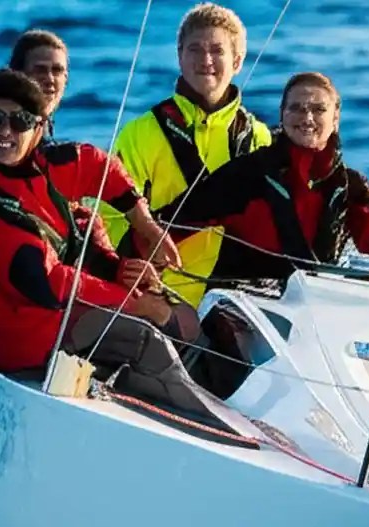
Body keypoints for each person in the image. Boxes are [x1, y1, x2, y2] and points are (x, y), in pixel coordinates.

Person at [0, 69, 194, 383]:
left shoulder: (34, 167)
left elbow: (96, 166)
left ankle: (214, 397)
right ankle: (209, 425)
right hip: (18, 338)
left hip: (47, 316)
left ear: (39, 128)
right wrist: (137, 304)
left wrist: (145, 226)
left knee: (184, 320)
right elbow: (47, 282)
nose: (5, 132)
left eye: (20, 121)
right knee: (146, 339)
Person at [150, 71, 369, 299]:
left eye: (318, 109)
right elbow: (169, 225)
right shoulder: (248, 173)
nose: (307, 118)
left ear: (335, 118)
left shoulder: (352, 187)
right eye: (297, 108)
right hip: (242, 309)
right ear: (282, 115)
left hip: (315, 311)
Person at [102, 3, 273, 305]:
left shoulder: (258, 137)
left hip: (243, 303)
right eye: (195, 49)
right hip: (161, 300)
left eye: (217, 50)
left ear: (238, 60)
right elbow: (108, 220)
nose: (206, 60)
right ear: (180, 56)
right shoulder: (140, 133)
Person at [9, 29, 69, 122]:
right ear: (17, 75)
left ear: (65, 78)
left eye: (57, 70)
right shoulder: (2, 131)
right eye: (40, 70)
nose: (50, 79)